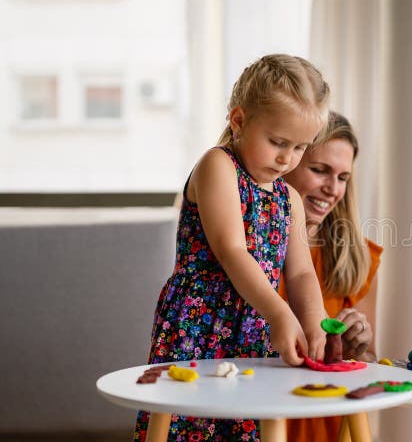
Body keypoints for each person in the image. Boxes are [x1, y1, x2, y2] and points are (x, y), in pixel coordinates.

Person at [133, 54, 331, 442]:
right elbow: (232, 250)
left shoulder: (288, 198)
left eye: (300, 148)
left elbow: (302, 272)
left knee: (243, 427)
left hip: (255, 327)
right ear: (238, 120)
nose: (287, 158)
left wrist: (314, 320)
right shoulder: (217, 165)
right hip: (198, 325)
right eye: (277, 142)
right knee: (189, 425)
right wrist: (279, 312)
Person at [279, 111, 383, 441]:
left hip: (324, 422)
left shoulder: (357, 257)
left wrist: (359, 345)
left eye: (343, 177)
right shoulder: (247, 248)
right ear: (287, 160)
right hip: (257, 413)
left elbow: (367, 361)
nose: (332, 189)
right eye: (320, 170)